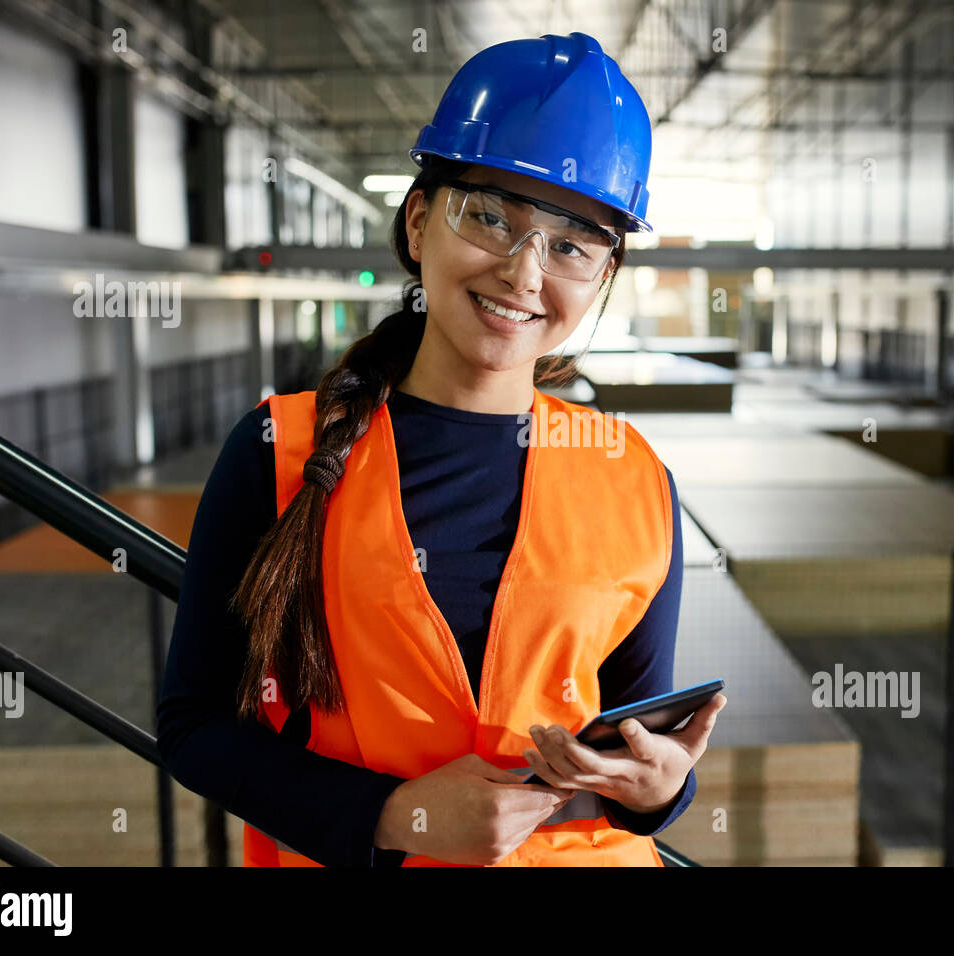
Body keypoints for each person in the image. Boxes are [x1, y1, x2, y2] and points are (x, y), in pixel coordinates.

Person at [157, 31, 725, 867]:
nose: (525, 274)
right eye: (490, 217)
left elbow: (638, 734)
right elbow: (194, 727)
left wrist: (663, 791)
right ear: (420, 221)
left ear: (602, 277)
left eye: (571, 243)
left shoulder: (633, 478)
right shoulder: (280, 454)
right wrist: (394, 816)